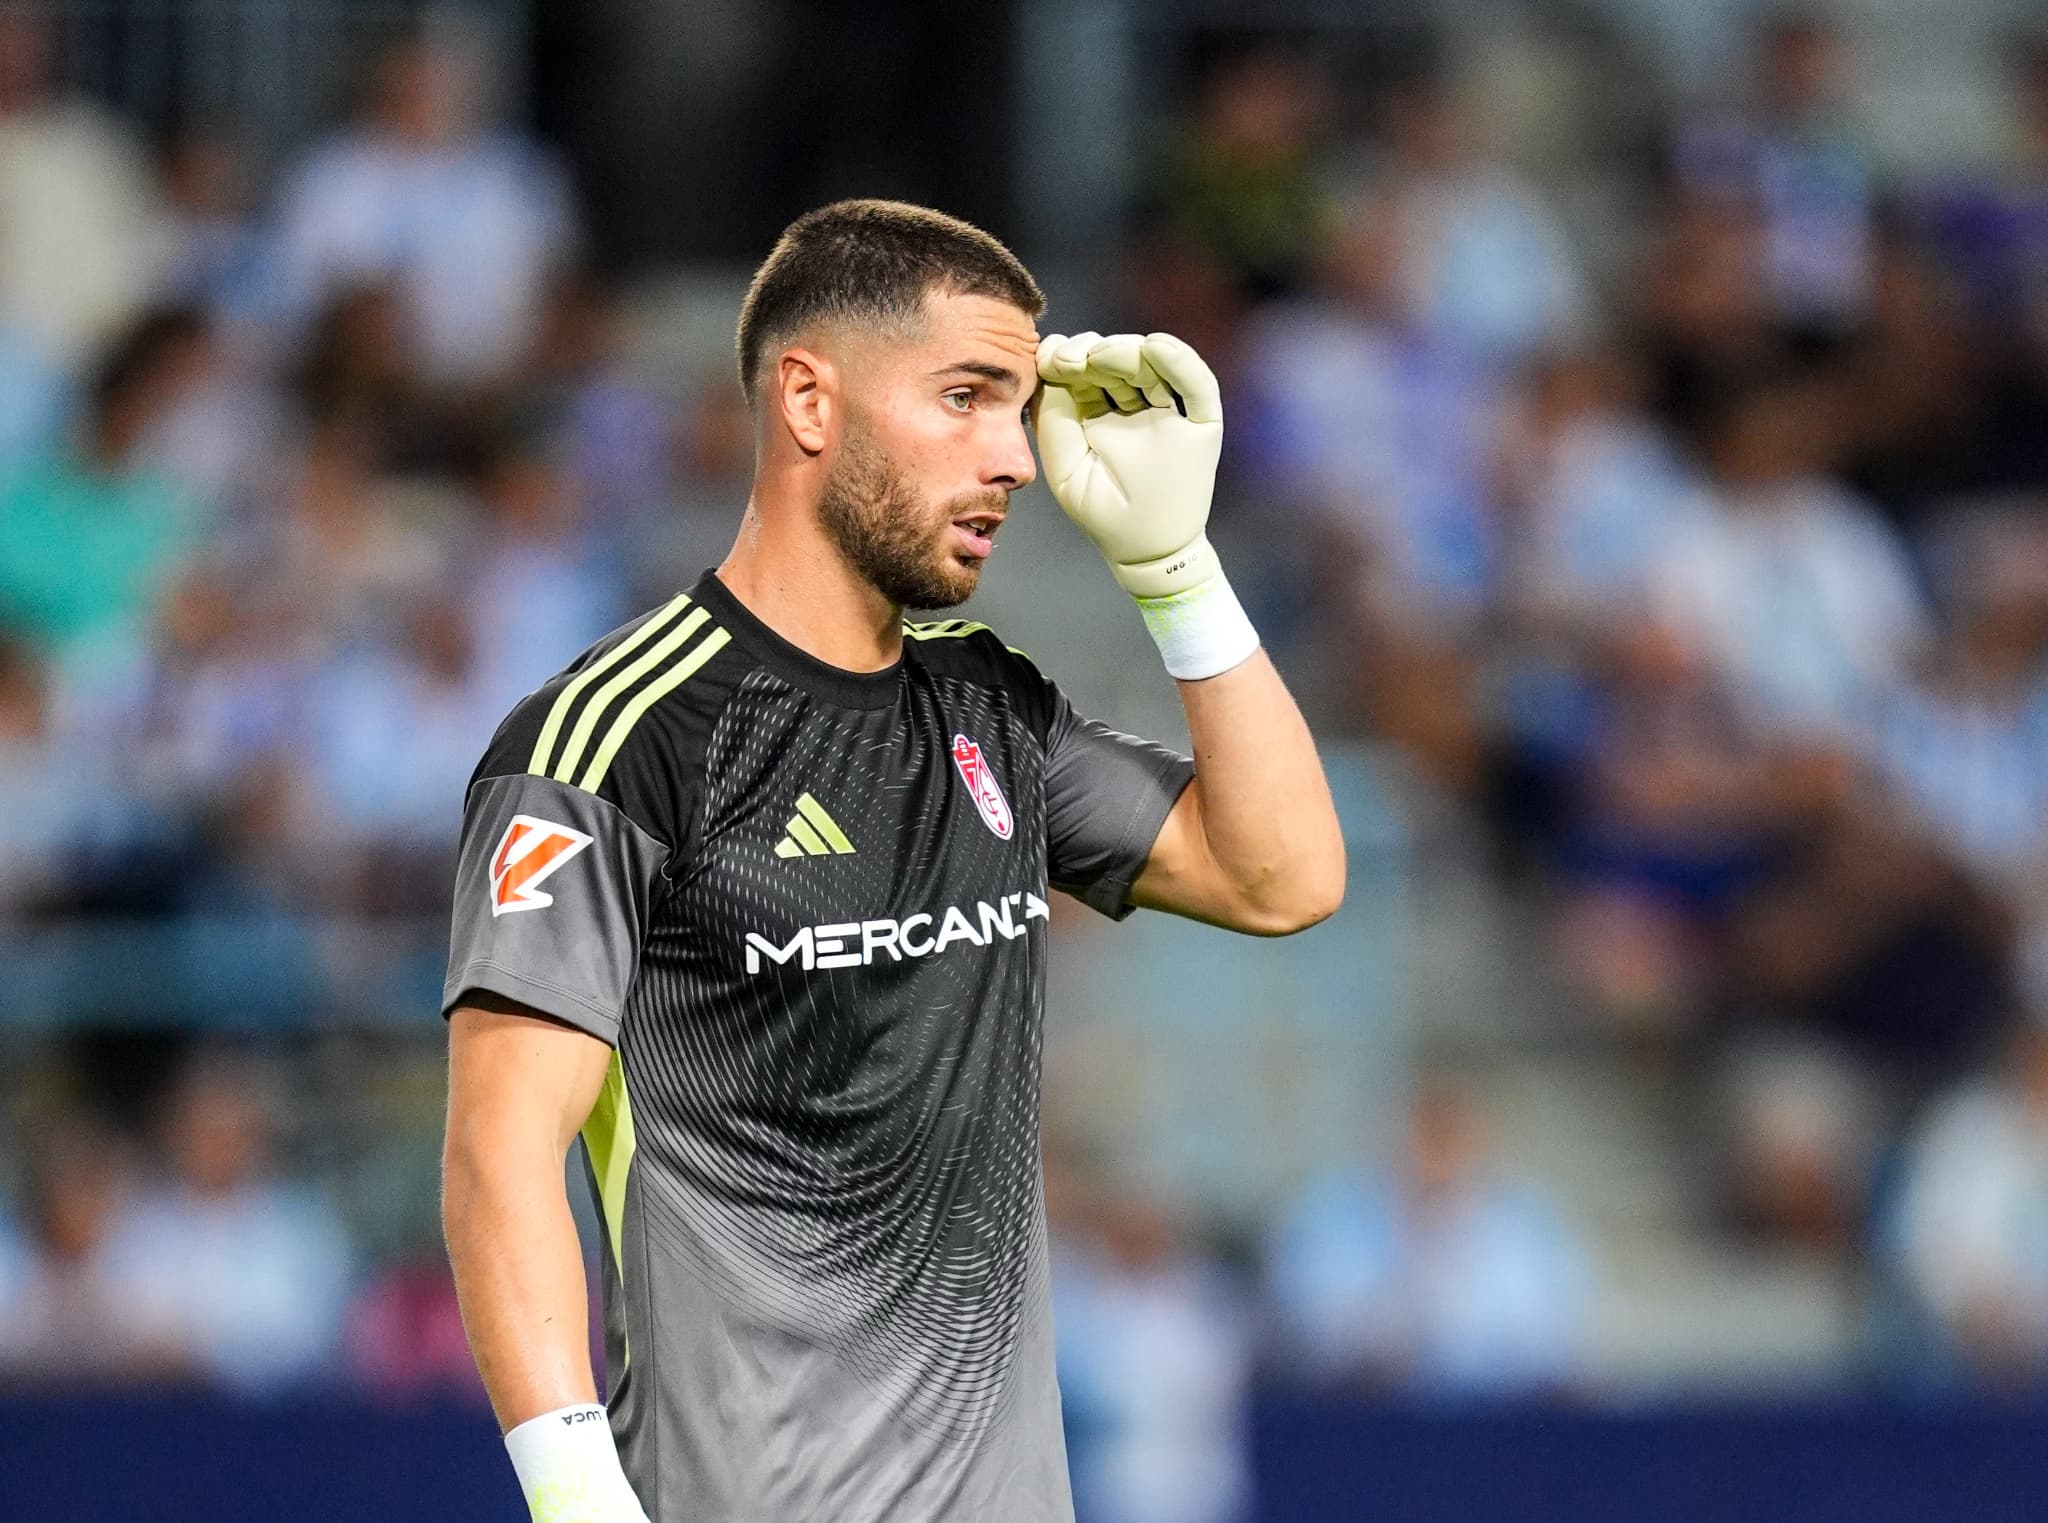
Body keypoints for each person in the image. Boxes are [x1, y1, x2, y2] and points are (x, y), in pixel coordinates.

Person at [440, 199, 1345, 1523]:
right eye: (969, 396)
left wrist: (1176, 569)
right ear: (810, 401)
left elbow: (1283, 877)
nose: (1016, 458)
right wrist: (579, 1501)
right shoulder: (613, 740)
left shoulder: (990, 709)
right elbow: (498, 1155)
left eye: (1019, 406)